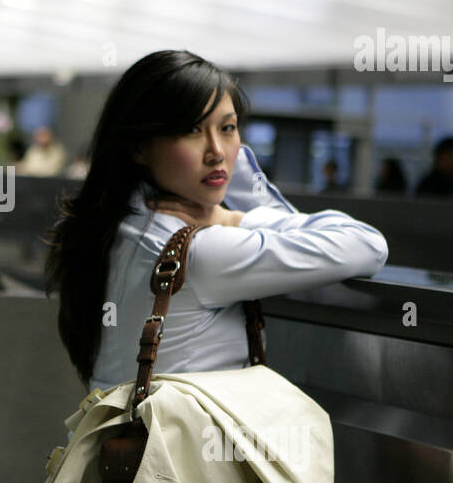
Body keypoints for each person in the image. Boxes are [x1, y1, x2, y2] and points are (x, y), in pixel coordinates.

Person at [45, 50, 389, 392]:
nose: (217, 152)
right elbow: (368, 245)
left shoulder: (120, 222)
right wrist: (234, 210)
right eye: (191, 130)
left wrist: (220, 210)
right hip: (191, 445)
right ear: (139, 147)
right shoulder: (201, 253)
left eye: (228, 128)